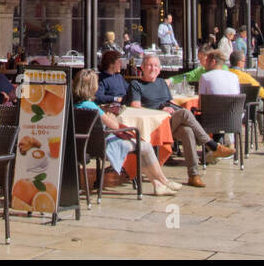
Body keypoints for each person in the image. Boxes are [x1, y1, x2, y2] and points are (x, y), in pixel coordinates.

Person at [128, 54, 233, 188]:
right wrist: (160, 110)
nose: (152, 68)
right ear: (142, 67)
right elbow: (135, 106)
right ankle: (211, 145)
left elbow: (170, 102)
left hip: (168, 122)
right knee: (184, 113)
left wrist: (169, 108)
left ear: (159, 69)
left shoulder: (161, 83)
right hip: (153, 125)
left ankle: (193, 175)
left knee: (187, 131)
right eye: (149, 65)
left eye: (156, 65)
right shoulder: (136, 84)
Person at [74, 69, 180, 196]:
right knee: (145, 146)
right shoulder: (92, 107)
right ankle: (163, 181)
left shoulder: (74, 105)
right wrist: (112, 118)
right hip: (103, 145)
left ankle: (158, 185)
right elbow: (114, 125)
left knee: (141, 149)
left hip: (85, 145)